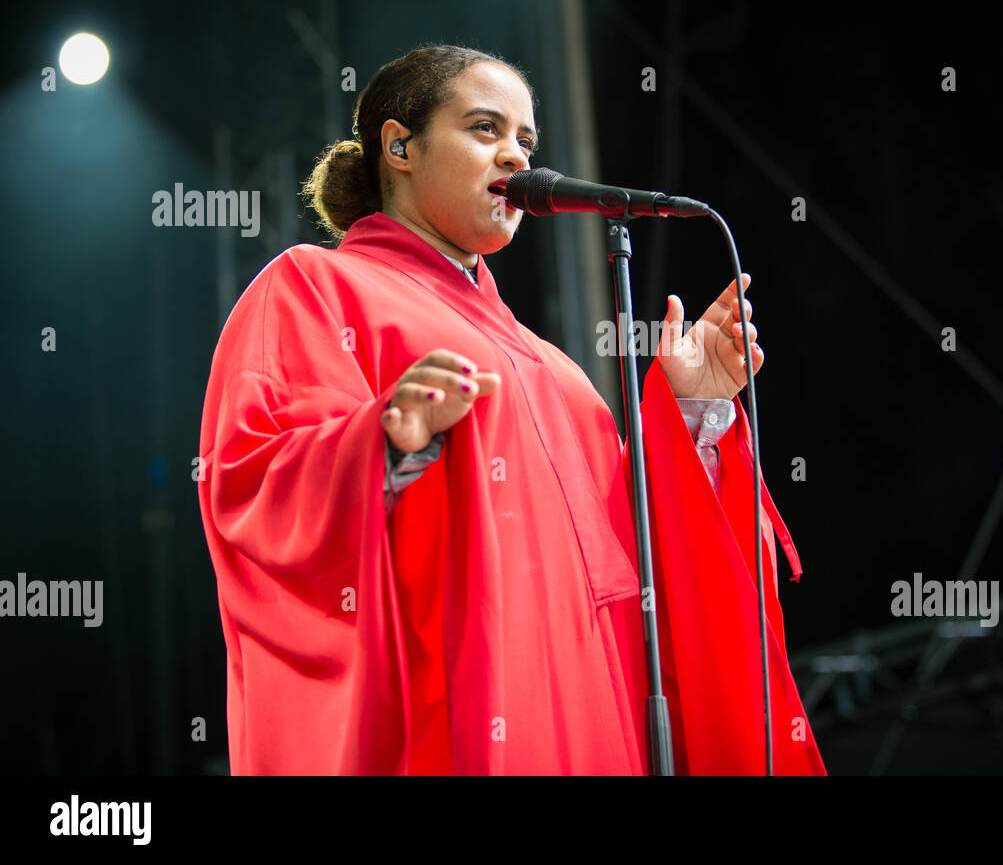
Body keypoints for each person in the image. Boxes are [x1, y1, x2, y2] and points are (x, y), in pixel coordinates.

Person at [196, 44, 826, 775]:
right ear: (400, 145)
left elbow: (636, 563)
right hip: (455, 718)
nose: (514, 157)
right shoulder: (315, 287)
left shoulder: (554, 368)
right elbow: (251, 484)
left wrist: (689, 417)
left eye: (526, 140)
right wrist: (383, 446)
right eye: (485, 129)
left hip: (594, 722)